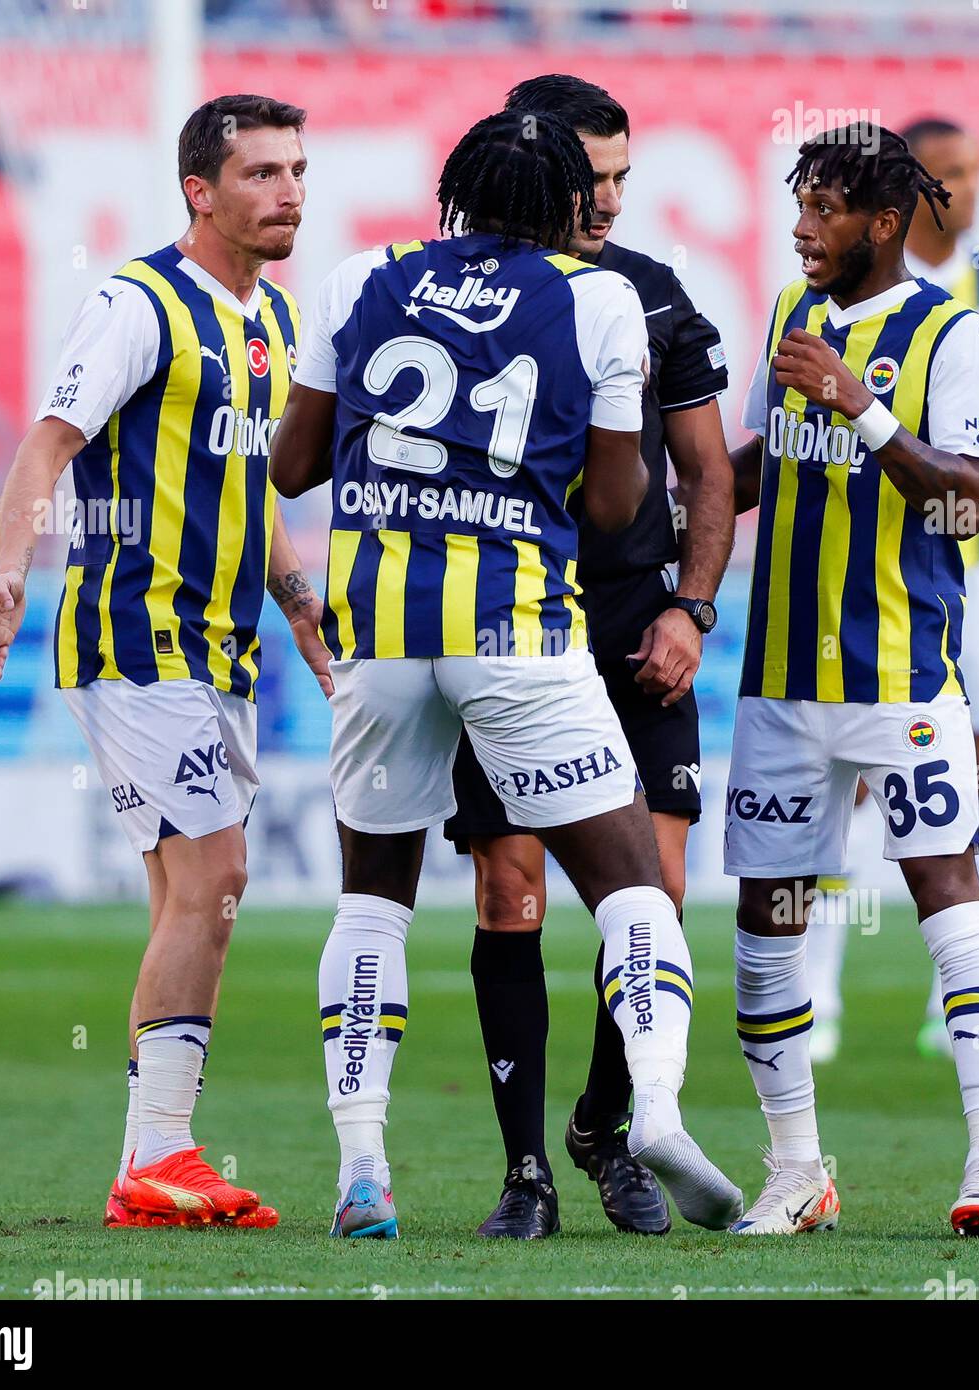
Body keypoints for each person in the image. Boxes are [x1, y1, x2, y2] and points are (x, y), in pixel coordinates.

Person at [270, 107, 743, 1241]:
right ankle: (660, 1112)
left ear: (457, 193)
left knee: (372, 899)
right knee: (634, 884)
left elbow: (289, 467)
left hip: (378, 639)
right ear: (568, 208)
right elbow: (620, 505)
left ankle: (363, 1165)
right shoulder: (599, 299)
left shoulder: (358, 279)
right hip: (518, 636)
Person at [0, 94, 327, 1229]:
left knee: (194, 889)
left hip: (223, 647)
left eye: (298, 170)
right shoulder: (139, 303)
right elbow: (47, 441)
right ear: (200, 191)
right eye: (263, 173)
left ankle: (148, 1168)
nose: (289, 193)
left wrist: (303, 609)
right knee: (214, 876)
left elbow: (250, 484)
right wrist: (12, 563)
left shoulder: (270, 322)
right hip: (135, 634)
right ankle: (165, 1153)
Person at [440, 75, 734, 1239]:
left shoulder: (653, 296)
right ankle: (524, 1174)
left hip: (629, 629)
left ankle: (607, 1129)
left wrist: (691, 609)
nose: (605, 201)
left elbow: (707, 475)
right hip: (501, 624)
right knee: (508, 891)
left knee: (652, 893)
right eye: (587, 179)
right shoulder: (449, 295)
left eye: (621, 177)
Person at [727, 124, 979, 1237]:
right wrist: (679, 502)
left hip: (901, 680)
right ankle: (796, 1169)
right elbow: (767, 459)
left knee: (944, 887)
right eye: (798, 204)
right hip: (778, 686)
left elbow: (965, 499)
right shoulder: (789, 317)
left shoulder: (951, 336)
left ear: (884, 224)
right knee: (770, 914)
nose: (801, 226)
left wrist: (862, 404)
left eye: (824, 208)